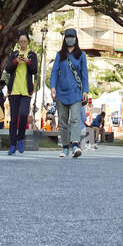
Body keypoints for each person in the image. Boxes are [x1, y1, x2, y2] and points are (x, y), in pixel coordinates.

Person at [49, 26, 88, 160]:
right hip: (61, 93)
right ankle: (65, 147)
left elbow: (84, 75)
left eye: (72, 37)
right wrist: (52, 87)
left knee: (76, 119)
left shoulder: (81, 55)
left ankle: (76, 145)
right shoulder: (60, 55)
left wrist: (85, 91)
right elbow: (54, 72)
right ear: (64, 39)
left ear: (75, 39)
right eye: (67, 37)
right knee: (63, 121)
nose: (69, 39)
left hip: (76, 93)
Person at [4, 32, 38, 157]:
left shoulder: (32, 55)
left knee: (23, 114)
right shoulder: (14, 54)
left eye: (24, 42)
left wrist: (28, 61)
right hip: (14, 91)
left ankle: (20, 139)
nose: (22, 44)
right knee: (13, 119)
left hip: (25, 91)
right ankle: (12, 145)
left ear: (28, 42)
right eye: (20, 42)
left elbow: (34, 70)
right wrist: (16, 61)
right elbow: (7, 69)